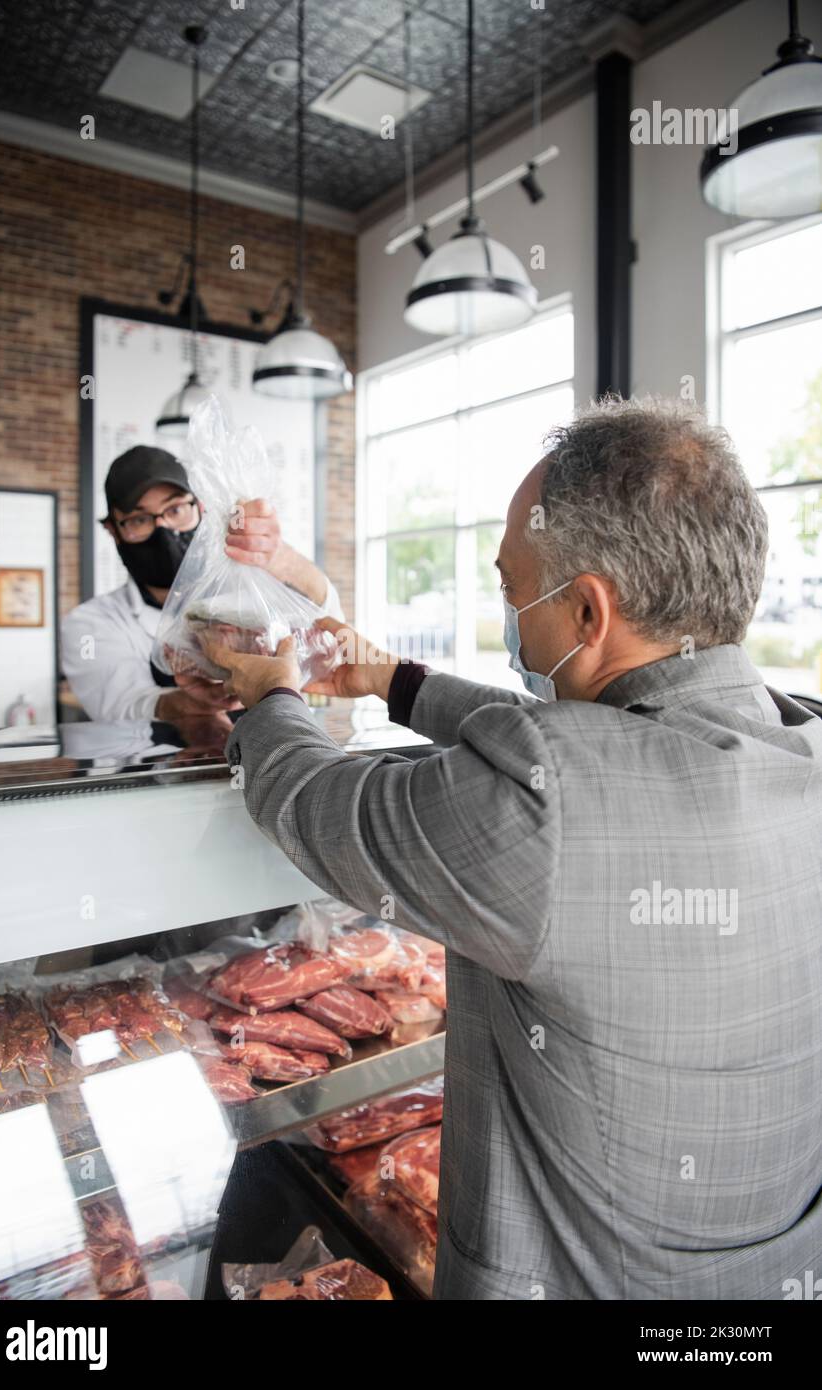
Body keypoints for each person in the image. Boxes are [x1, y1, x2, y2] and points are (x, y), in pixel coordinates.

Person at [202, 397, 822, 1301]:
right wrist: (392, 680)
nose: (507, 609)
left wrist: (266, 694)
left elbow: (312, 800)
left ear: (586, 610)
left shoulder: (556, 802)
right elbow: (582, 740)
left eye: (511, 584)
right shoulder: (794, 740)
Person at [61, 445, 342, 723]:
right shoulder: (90, 623)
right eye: (140, 519)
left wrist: (279, 556)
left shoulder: (247, 595)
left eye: (176, 509)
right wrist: (187, 703)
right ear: (114, 530)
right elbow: (122, 704)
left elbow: (331, 631)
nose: (164, 529)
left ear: (200, 508)